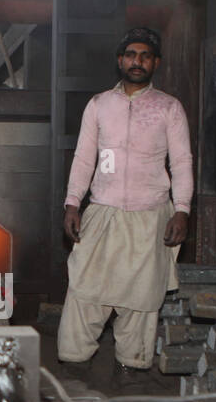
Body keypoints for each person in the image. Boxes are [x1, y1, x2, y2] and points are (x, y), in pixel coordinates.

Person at [57, 26, 193, 381]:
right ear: (120, 60)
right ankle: (75, 362)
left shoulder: (169, 108)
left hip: (150, 214)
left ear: (156, 63)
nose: (138, 61)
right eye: (131, 55)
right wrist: (73, 203)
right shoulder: (100, 105)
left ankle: (131, 366)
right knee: (86, 288)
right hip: (103, 210)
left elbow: (181, 162)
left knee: (141, 296)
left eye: (145, 56)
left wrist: (182, 209)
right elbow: (85, 157)